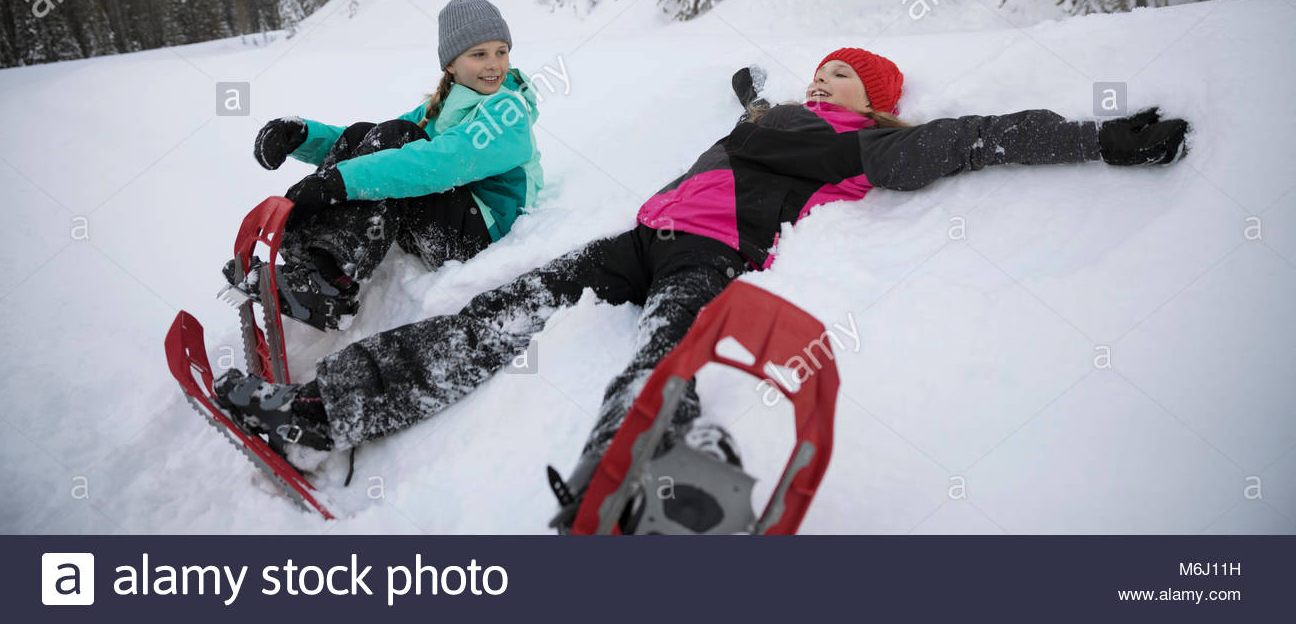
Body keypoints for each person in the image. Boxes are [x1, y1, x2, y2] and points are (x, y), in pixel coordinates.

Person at [212, 46, 1190, 529]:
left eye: (841, 73)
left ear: (873, 100)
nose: (825, 76)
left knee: (657, 362)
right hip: (642, 237)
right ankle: (319, 408)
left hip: (709, 257)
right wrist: (750, 88)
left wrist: (1092, 138)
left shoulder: (867, 140)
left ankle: (641, 501)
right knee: (501, 309)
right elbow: (756, 105)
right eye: (819, 68)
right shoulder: (778, 110)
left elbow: (972, 136)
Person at [223, 0, 544, 330]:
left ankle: (332, 285)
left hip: (483, 235)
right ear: (451, 64)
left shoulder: (508, 111)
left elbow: (441, 163)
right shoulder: (443, 105)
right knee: (372, 133)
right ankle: (307, 264)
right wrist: (303, 137)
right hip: (447, 223)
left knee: (399, 140)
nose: (493, 64)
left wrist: (335, 183)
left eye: (501, 52)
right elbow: (371, 140)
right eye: (479, 54)